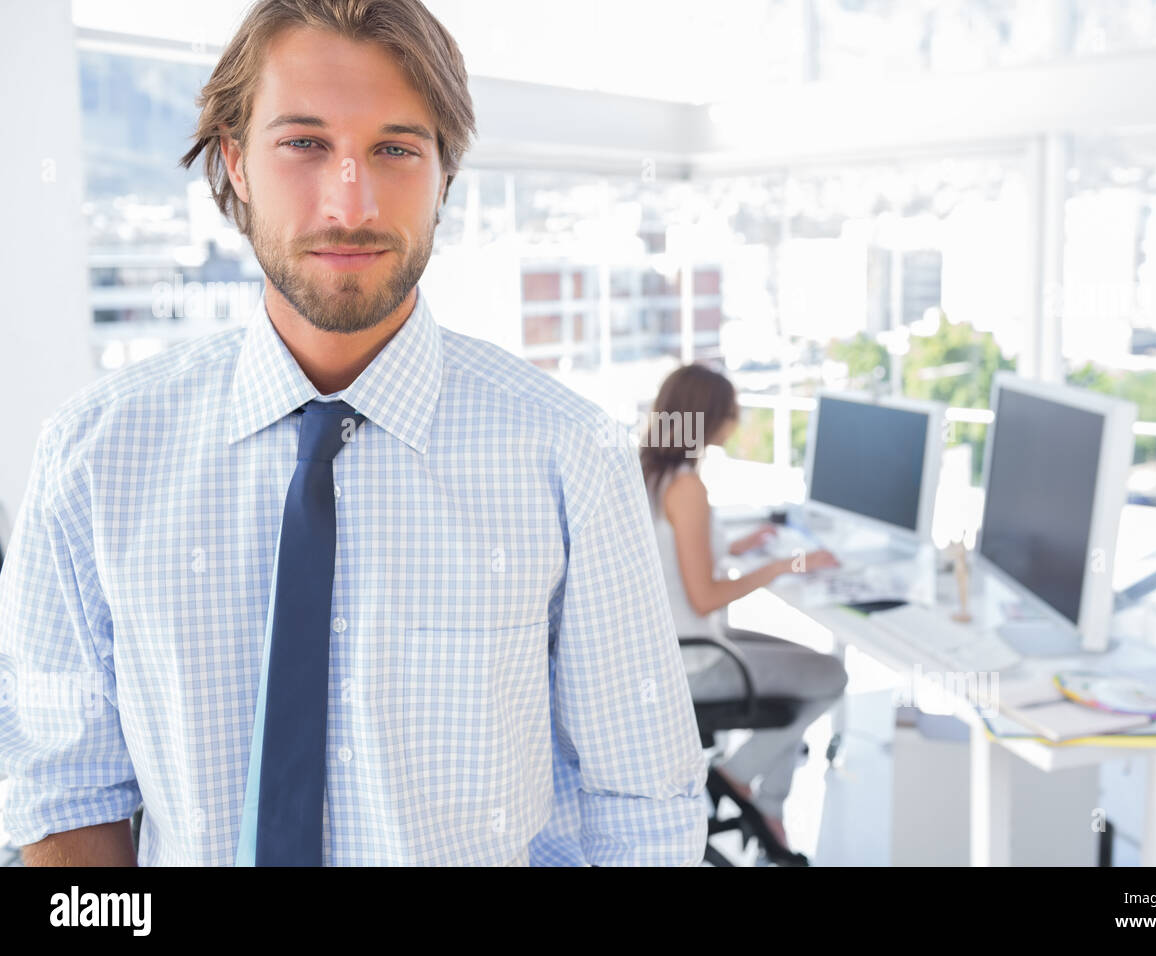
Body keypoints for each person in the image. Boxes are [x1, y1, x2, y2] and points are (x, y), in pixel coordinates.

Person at [0, 0, 707, 867]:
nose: (351, 201)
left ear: (445, 174)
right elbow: (62, 796)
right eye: (304, 144)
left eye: (396, 149)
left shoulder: (571, 458)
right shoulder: (91, 461)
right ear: (237, 163)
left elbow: (642, 815)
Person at [641, 364, 849, 855]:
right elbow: (705, 597)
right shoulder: (687, 488)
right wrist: (780, 566)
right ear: (712, 419)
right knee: (830, 676)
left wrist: (736, 546)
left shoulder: (650, 470)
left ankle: (770, 808)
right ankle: (738, 776)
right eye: (731, 414)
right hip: (696, 663)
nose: (735, 423)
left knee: (804, 671)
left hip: (671, 649)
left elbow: (676, 555)